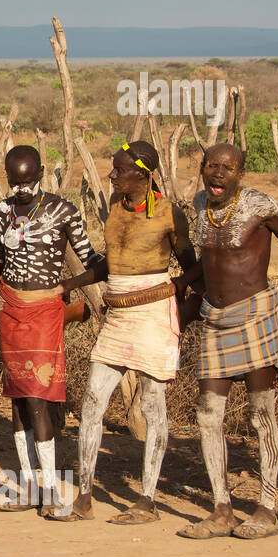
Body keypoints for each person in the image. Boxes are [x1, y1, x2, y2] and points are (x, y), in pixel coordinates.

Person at [54, 140, 197, 523]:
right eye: (113, 169)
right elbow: (110, 266)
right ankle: (84, 497)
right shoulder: (116, 210)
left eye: (118, 170)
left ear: (142, 173)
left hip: (153, 316)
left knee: (153, 406)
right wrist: (73, 283)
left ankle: (147, 501)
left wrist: (177, 295)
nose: (112, 175)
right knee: (92, 403)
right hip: (118, 316)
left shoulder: (169, 214)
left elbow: (193, 267)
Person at [0, 144, 101, 512]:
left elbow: (95, 262)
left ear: (40, 173)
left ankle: (50, 491)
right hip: (11, 313)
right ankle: (29, 489)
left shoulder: (62, 211)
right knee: (18, 401)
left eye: (28, 181)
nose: (21, 189)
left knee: (37, 399)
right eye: (15, 181)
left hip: (45, 314)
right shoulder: (3, 212)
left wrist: (67, 286)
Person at [177, 143, 278, 540]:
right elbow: (210, 258)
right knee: (207, 413)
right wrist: (183, 282)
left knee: (259, 412)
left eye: (227, 168)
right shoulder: (200, 203)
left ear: (240, 174)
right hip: (215, 321)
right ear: (202, 168)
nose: (217, 174)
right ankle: (222, 509)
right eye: (211, 166)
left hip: (256, 318)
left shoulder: (260, 206)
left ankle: (267, 510)